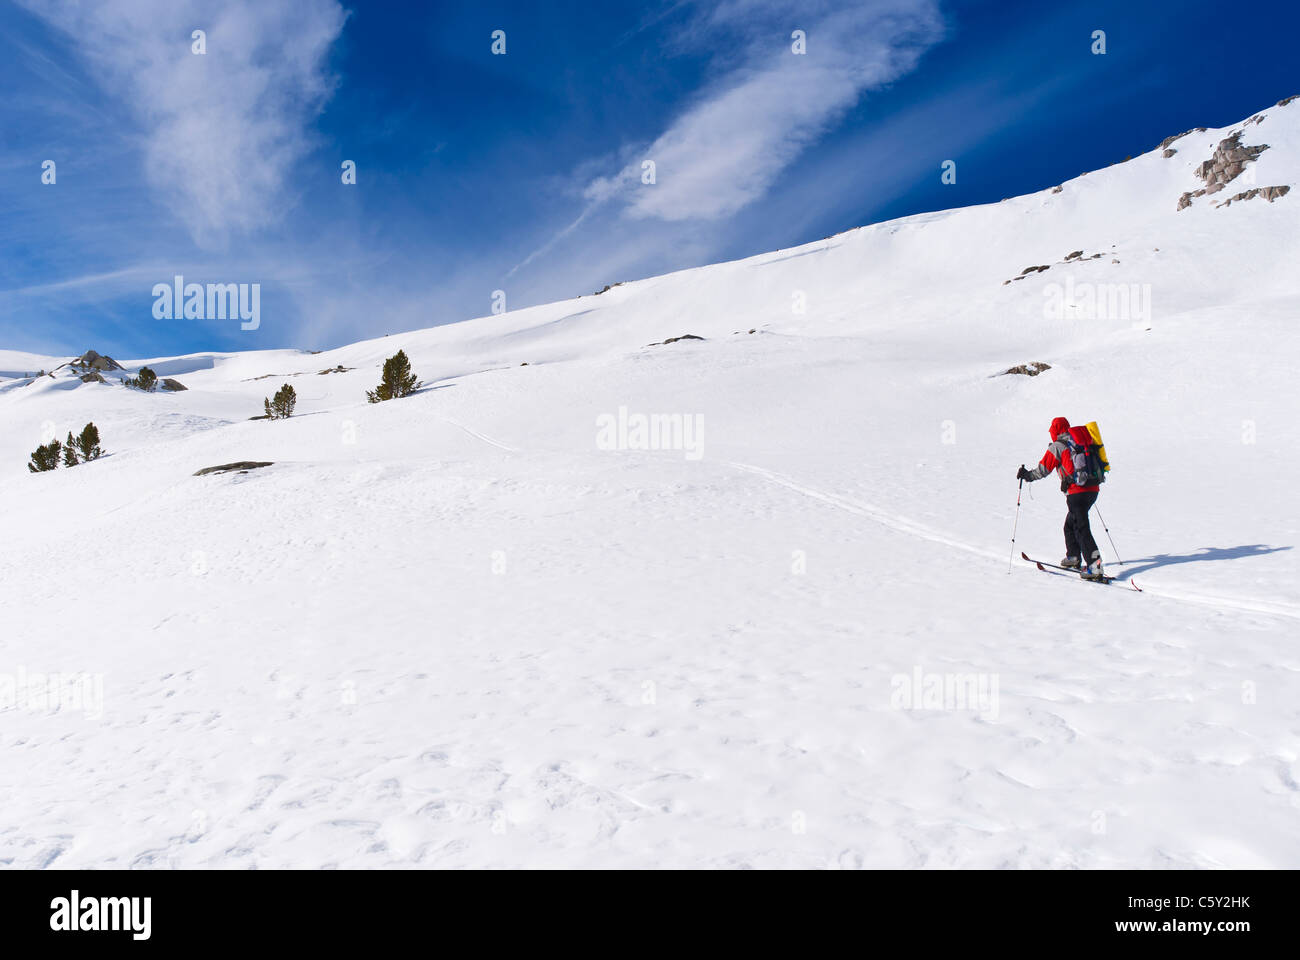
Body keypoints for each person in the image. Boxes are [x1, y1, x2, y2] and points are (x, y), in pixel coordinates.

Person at [1016, 416, 1103, 579]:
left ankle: (1095, 566)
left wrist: (1027, 475)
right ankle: (1073, 557)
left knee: (1082, 528)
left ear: (1055, 430)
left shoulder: (1058, 446)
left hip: (1076, 493)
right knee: (1071, 525)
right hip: (1093, 490)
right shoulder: (1082, 442)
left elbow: (1043, 469)